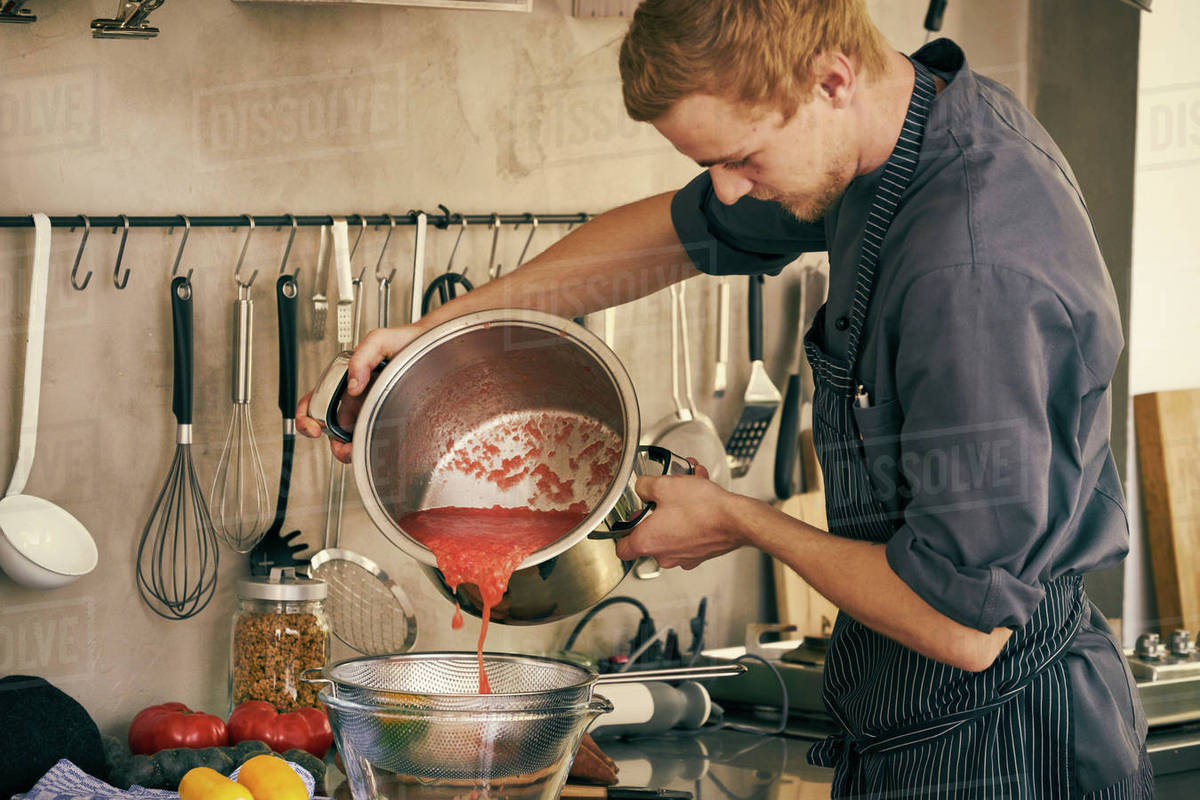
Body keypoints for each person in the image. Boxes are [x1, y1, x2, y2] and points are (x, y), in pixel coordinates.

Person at [297, 1, 1152, 796]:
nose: (733, 189)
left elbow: (965, 627)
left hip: (1007, 749)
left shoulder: (972, 271)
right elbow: (681, 230)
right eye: (713, 164)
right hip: (905, 730)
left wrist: (739, 520)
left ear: (830, 79)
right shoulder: (888, 139)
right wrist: (441, 330)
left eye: (741, 159)